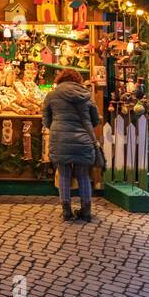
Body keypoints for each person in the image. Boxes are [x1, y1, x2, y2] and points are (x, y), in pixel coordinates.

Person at [43, 68, 101, 223]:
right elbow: (95, 120)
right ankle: (86, 211)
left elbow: (46, 120)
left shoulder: (52, 95)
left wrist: (56, 128)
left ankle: (66, 211)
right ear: (78, 80)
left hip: (60, 139)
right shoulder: (86, 95)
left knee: (63, 174)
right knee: (83, 175)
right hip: (83, 140)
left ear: (60, 79)